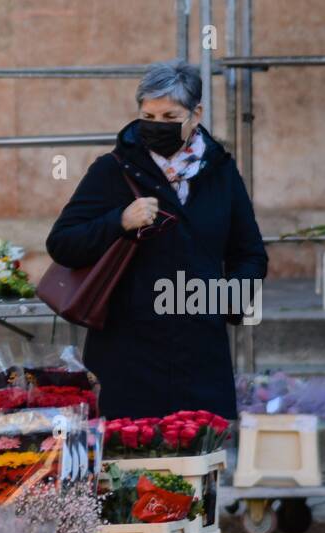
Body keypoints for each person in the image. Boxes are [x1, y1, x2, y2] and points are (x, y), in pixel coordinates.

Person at [46, 59, 267, 421]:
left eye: (169, 117)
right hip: (128, 354)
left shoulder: (221, 172)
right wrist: (119, 220)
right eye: (149, 115)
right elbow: (62, 243)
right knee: (132, 468)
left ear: (196, 114)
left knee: (197, 463)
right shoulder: (112, 170)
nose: (157, 126)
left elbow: (250, 254)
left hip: (200, 356)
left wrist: (222, 303)